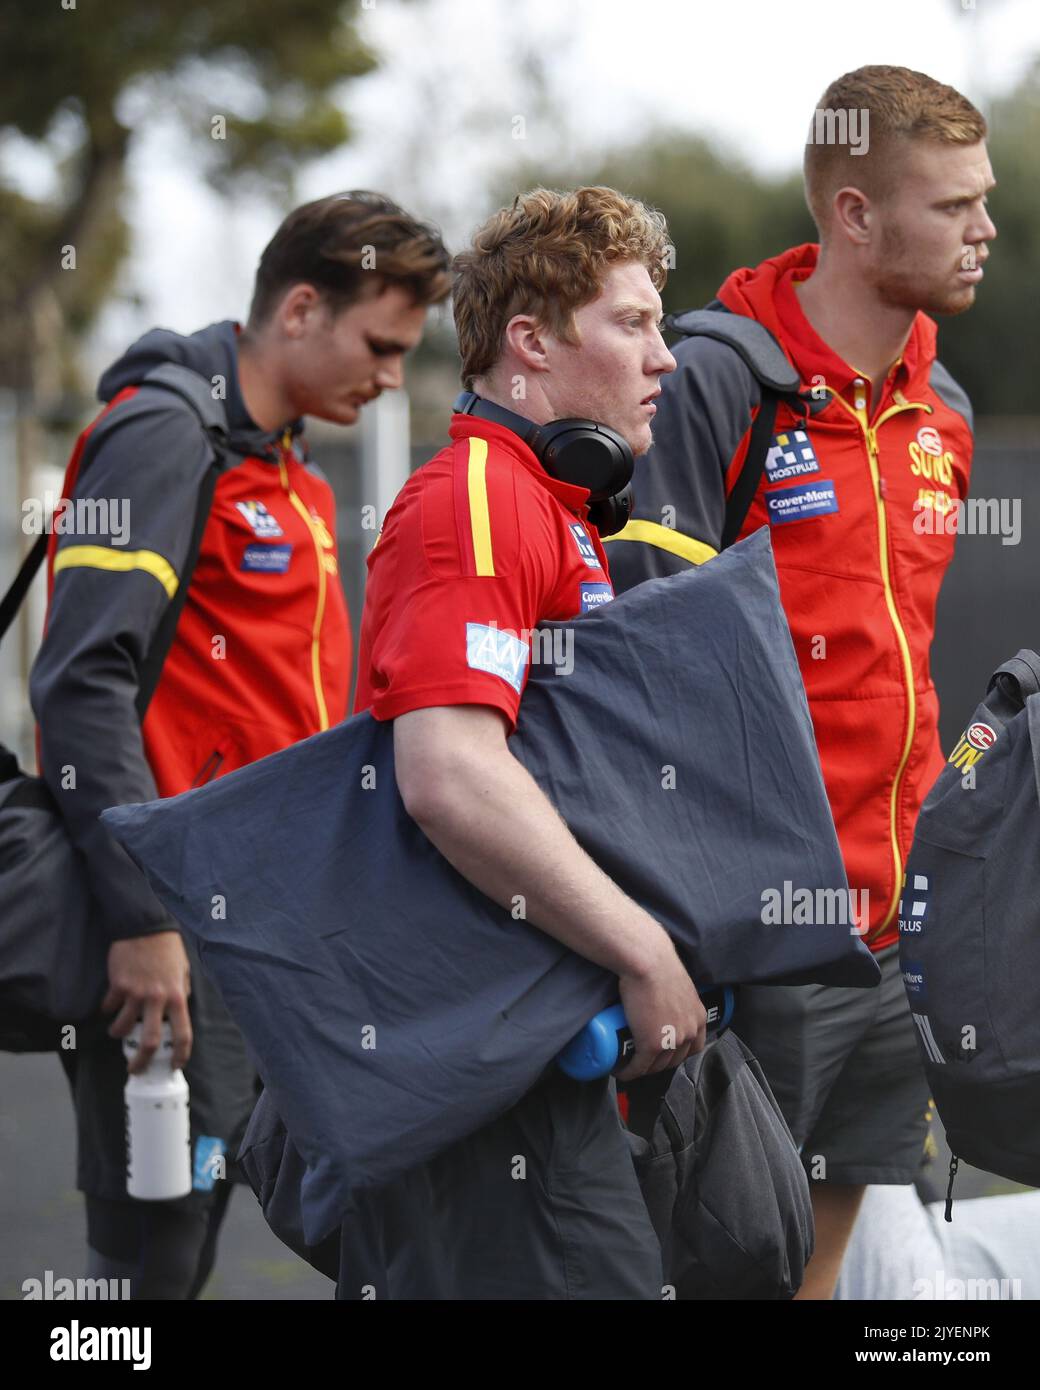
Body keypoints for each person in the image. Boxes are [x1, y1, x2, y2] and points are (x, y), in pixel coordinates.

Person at [605, 66, 997, 1299]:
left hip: (895, 929)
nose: (984, 230)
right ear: (851, 213)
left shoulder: (942, 404)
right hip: (753, 935)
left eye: (984, 201)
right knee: (719, 1261)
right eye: (951, 207)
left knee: (816, 1265)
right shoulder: (716, 377)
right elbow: (633, 660)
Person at [30, 191, 450, 1299]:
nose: (392, 376)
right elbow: (79, 685)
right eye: (380, 345)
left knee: (198, 1217)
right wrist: (143, 919)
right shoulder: (168, 433)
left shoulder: (287, 469)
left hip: (264, 932)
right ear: (302, 307)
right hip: (178, 927)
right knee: (149, 1243)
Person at [341, 185, 706, 1299]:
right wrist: (643, 949)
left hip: (531, 1040)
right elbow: (448, 771)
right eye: (633, 324)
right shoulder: (480, 500)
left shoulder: (545, 504)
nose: (666, 361)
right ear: (531, 344)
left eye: (661, 325)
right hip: (479, 1060)